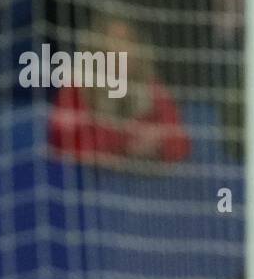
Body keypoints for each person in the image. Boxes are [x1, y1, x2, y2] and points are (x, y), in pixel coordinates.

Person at [47, 13, 190, 168]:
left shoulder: (151, 87)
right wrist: (123, 147)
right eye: (115, 41)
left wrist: (161, 142)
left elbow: (180, 142)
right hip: (91, 184)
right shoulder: (76, 88)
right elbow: (64, 143)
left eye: (130, 41)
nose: (125, 50)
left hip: (140, 184)